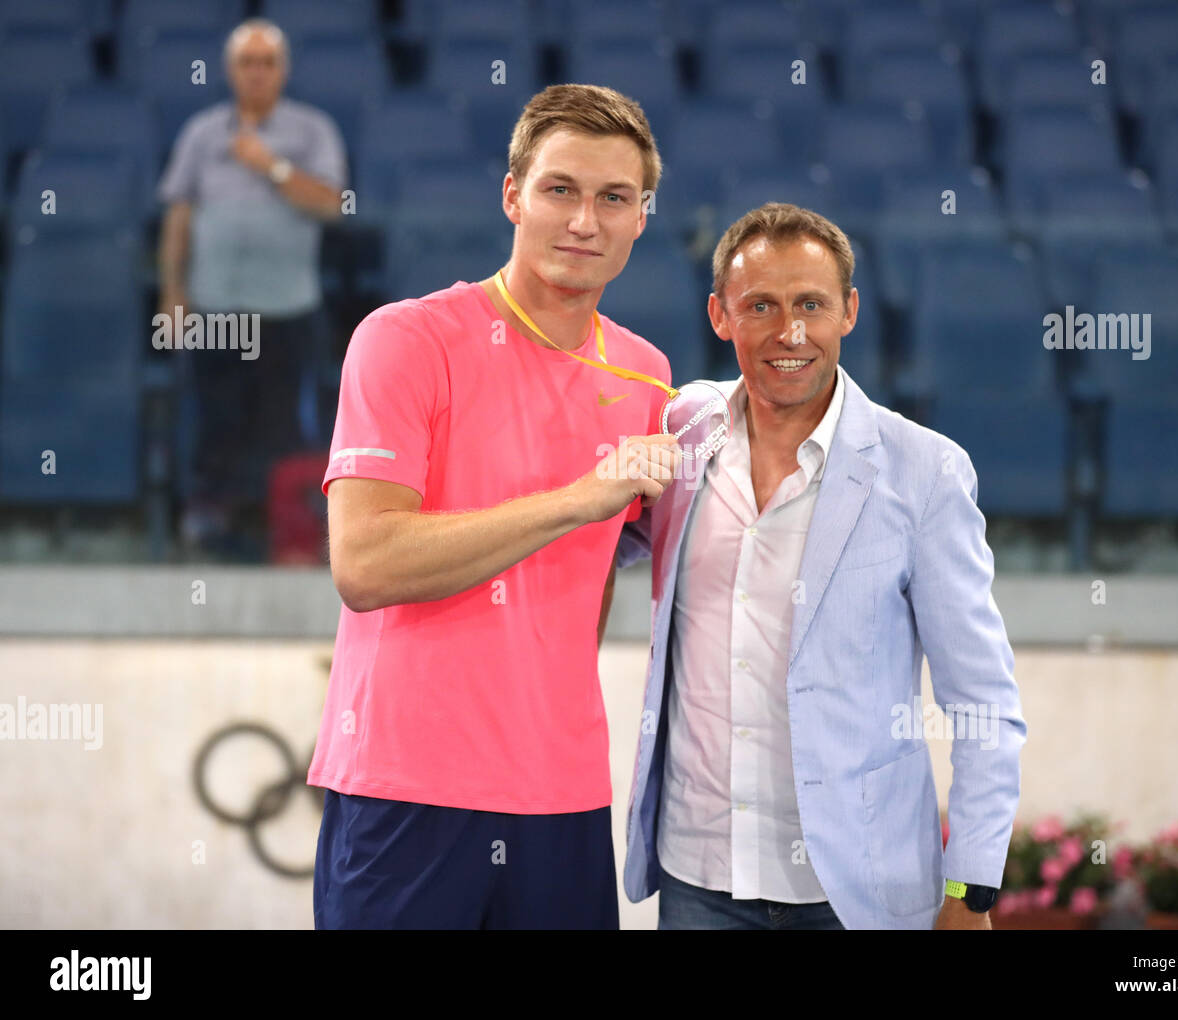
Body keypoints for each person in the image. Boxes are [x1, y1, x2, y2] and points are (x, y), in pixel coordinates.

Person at [309, 84, 681, 929]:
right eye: (561, 189)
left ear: (642, 217)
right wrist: (577, 500)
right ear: (513, 195)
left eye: (613, 198)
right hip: (405, 792)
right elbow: (363, 565)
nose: (585, 219)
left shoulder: (647, 375)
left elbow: (600, 575)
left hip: (564, 794)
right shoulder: (405, 339)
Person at [617, 202, 1028, 930]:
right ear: (720, 315)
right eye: (761, 306)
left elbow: (982, 698)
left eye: (810, 303)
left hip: (860, 889)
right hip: (698, 875)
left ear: (849, 312)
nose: (789, 331)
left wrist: (971, 888)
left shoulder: (924, 471)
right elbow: (581, 552)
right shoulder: (679, 433)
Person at [155, 17, 346, 557]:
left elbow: (335, 205)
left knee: (284, 425)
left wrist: (274, 167)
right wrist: (173, 292)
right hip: (216, 308)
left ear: (283, 71)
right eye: (247, 63)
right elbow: (180, 213)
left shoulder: (312, 131)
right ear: (230, 71)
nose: (257, 73)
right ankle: (208, 529)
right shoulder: (201, 132)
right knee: (215, 419)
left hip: (287, 307)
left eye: (267, 63)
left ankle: (283, 531)